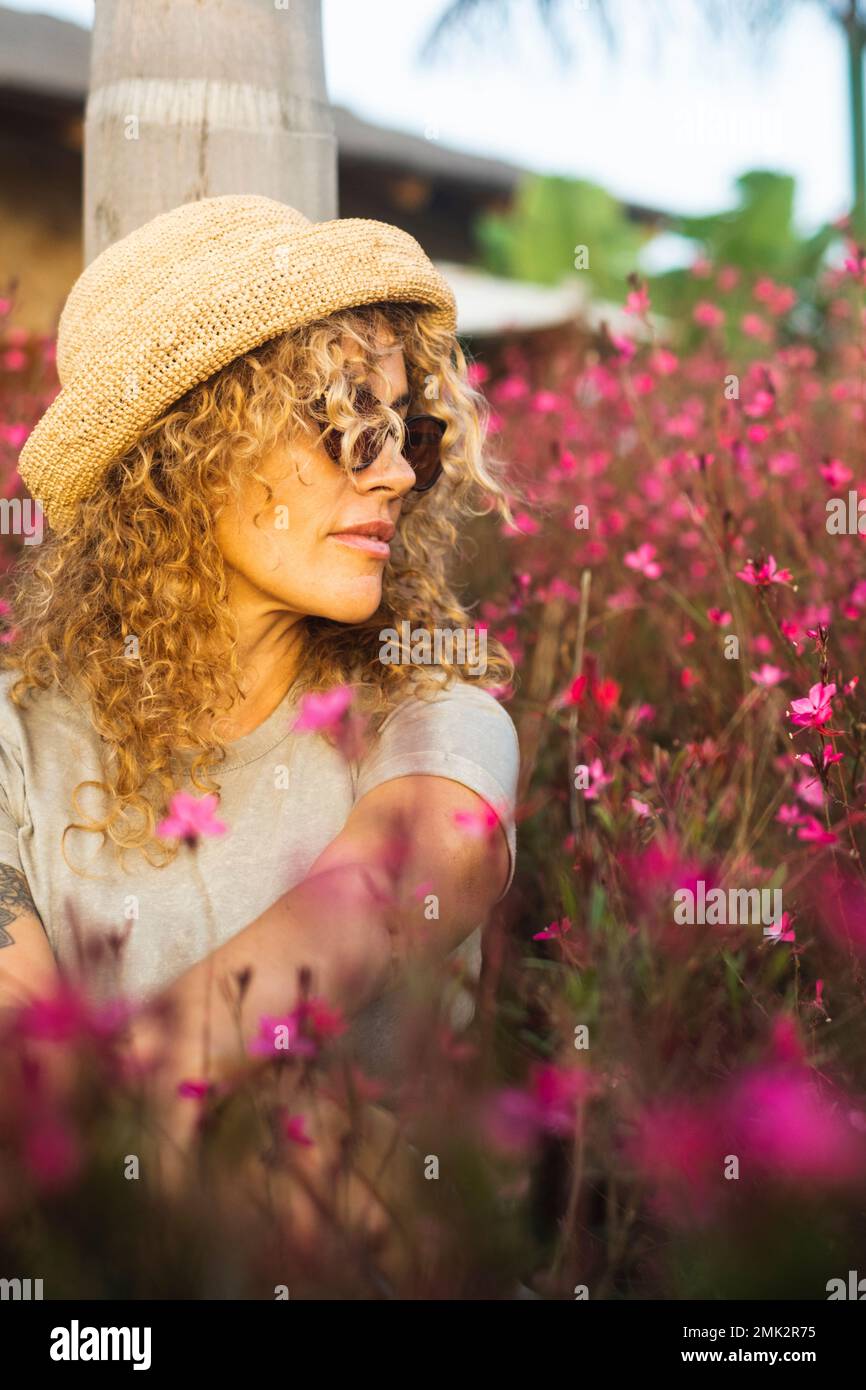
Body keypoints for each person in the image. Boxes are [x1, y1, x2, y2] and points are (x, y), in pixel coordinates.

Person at [0, 194, 520, 1157]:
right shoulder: (13, 741)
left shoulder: (435, 717)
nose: (398, 472)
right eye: (346, 418)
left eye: (408, 429)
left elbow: (400, 881)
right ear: (187, 457)